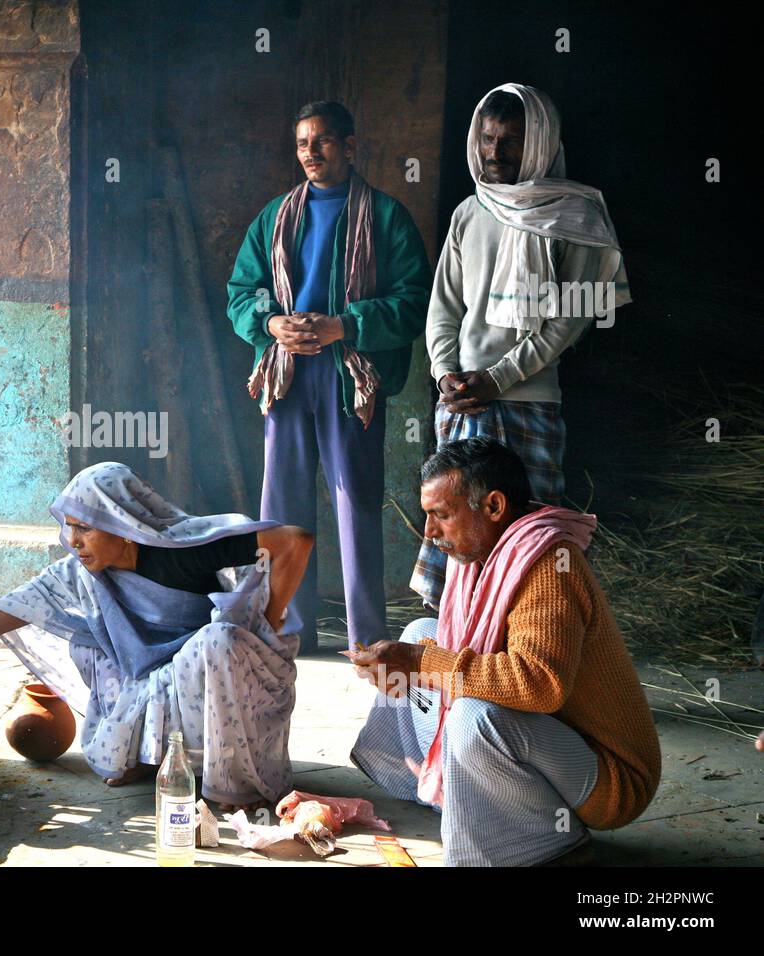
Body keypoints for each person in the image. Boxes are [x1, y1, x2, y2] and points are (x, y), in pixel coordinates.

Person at [0, 461, 314, 812]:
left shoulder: (183, 551)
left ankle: (233, 782)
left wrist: (266, 622)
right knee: (87, 641)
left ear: (123, 524)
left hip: (210, 670)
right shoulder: (76, 574)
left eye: (85, 527)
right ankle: (143, 755)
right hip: (146, 673)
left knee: (219, 642)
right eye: (69, 527)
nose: (71, 540)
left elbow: (294, 539)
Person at [350, 437, 661, 866]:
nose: (429, 532)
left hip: (607, 777)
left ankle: (551, 839)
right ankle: (447, 790)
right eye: (428, 516)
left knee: (472, 717)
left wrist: (420, 662)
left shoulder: (550, 563)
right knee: (422, 630)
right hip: (550, 745)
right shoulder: (479, 556)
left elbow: (538, 685)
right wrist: (404, 663)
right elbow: (462, 657)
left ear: (494, 507)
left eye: (441, 515)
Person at [412, 83, 632, 610]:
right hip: (462, 403)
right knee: (458, 540)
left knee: (530, 544)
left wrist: (499, 379)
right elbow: (443, 307)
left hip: (529, 401)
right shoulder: (470, 212)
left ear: (538, 144)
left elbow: (567, 323)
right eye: (487, 139)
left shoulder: (574, 216)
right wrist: (447, 376)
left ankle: (526, 665)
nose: (493, 153)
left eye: (510, 142)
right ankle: (462, 651)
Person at [227, 100, 430, 653]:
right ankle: (289, 629)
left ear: (349, 146)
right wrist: (272, 323)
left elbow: (413, 303)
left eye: (321, 142)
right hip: (287, 373)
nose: (310, 153)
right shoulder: (275, 217)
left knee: (355, 500)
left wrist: (347, 325)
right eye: (301, 144)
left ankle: (368, 638)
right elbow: (240, 294)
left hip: (351, 375)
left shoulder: (387, 217)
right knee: (282, 506)